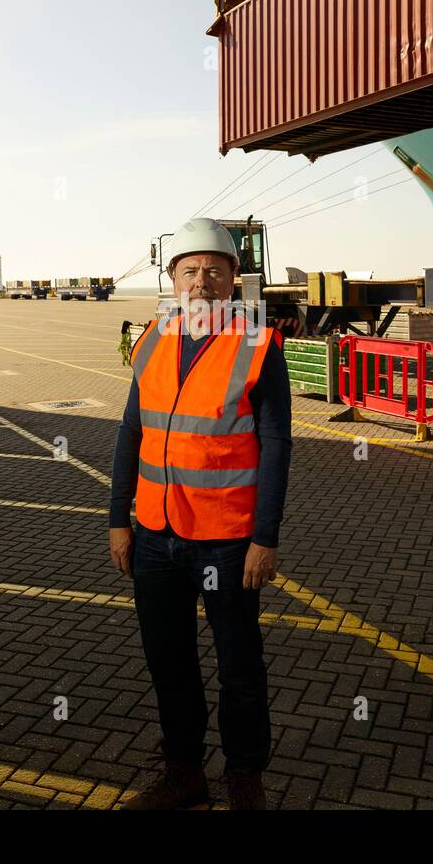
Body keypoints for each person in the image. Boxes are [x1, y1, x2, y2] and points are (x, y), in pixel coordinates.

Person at [109, 217, 292, 810]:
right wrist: (119, 518)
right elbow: (130, 433)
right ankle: (184, 774)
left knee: (239, 666)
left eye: (215, 270)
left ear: (234, 280)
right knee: (170, 663)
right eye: (190, 269)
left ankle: (245, 779)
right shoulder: (155, 339)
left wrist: (265, 537)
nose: (202, 280)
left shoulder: (258, 343)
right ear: (173, 278)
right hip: (156, 537)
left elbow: (277, 445)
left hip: (226, 540)